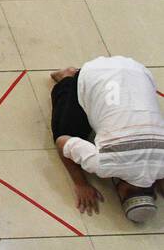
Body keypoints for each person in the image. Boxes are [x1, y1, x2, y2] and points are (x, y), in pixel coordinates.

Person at [50, 57, 164, 222]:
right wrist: (81, 184)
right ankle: (67, 78)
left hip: (138, 71)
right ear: (123, 193)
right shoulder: (105, 165)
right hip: (93, 74)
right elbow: (62, 142)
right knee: (63, 131)